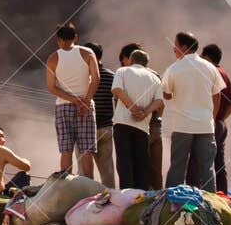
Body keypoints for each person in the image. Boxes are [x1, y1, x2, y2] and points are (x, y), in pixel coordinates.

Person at [161, 31, 222, 188]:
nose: (173, 48)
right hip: (205, 125)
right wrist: (212, 118)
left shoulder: (174, 68)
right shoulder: (210, 68)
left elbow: (166, 95)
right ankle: (212, 204)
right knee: (207, 168)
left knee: (178, 167)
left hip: (182, 125)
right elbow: (217, 95)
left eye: (175, 45)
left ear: (184, 47)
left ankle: (172, 202)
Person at [45, 25, 99, 178]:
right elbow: (96, 79)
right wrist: (85, 102)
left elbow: (51, 87)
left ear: (58, 40)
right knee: (87, 149)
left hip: (63, 107)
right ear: (75, 37)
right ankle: (89, 187)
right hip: (86, 106)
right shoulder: (88, 53)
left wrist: (73, 100)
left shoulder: (53, 58)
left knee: (66, 149)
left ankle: (66, 185)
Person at [111, 47, 163, 189]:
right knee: (141, 164)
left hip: (122, 123)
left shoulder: (122, 71)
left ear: (131, 60)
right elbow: (159, 102)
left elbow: (117, 90)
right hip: (142, 127)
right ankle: (141, 198)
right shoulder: (155, 78)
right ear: (146, 63)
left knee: (125, 163)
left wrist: (133, 108)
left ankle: (127, 197)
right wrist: (145, 112)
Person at [201, 43, 231, 193]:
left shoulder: (211, 72)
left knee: (203, 162)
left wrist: (213, 119)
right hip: (221, 124)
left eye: (202, 56)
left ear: (207, 57)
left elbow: (214, 97)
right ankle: (223, 195)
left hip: (210, 124)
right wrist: (221, 119)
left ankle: (205, 195)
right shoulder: (224, 74)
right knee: (219, 164)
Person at [90, 44, 117, 187]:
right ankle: (111, 200)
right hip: (107, 127)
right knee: (107, 171)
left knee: (85, 171)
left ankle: (86, 201)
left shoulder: (84, 77)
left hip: (86, 128)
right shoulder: (112, 76)